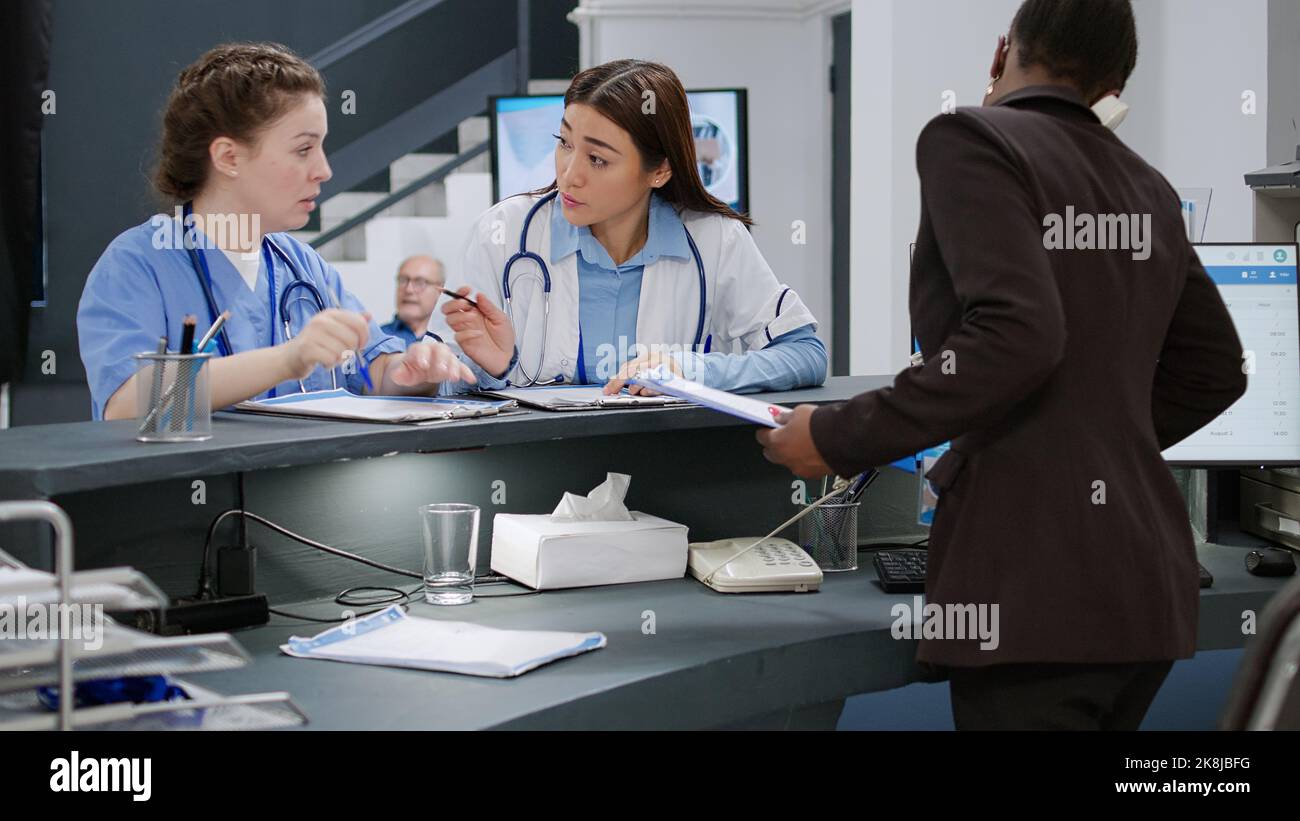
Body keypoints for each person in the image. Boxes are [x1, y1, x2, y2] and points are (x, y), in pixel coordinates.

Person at [758, 0, 1247, 730]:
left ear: (1000, 52)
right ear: (1111, 89)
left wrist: (834, 436)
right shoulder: (1145, 185)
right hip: (1146, 586)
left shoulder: (970, 140)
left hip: (1036, 591)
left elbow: (1019, 332)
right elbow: (1216, 370)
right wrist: (1099, 447)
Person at [77, 42, 473, 421]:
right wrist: (287, 360)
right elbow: (127, 404)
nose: (324, 170)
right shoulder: (137, 264)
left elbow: (375, 374)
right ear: (229, 157)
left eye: (321, 148)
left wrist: (418, 370)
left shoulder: (303, 266)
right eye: (303, 150)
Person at [440, 59, 828, 395]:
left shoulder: (715, 238)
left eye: (597, 159)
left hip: (667, 465)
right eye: (565, 143)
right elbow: (436, 380)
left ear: (659, 170)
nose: (568, 175)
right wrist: (488, 370)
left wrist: (692, 371)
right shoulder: (503, 232)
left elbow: (806, 355)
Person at [381, 255, 446, 345]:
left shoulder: (452, 340)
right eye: (403, 280)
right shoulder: (375, 341)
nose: (408, 290)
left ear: (440, 290)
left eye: (420, 282)